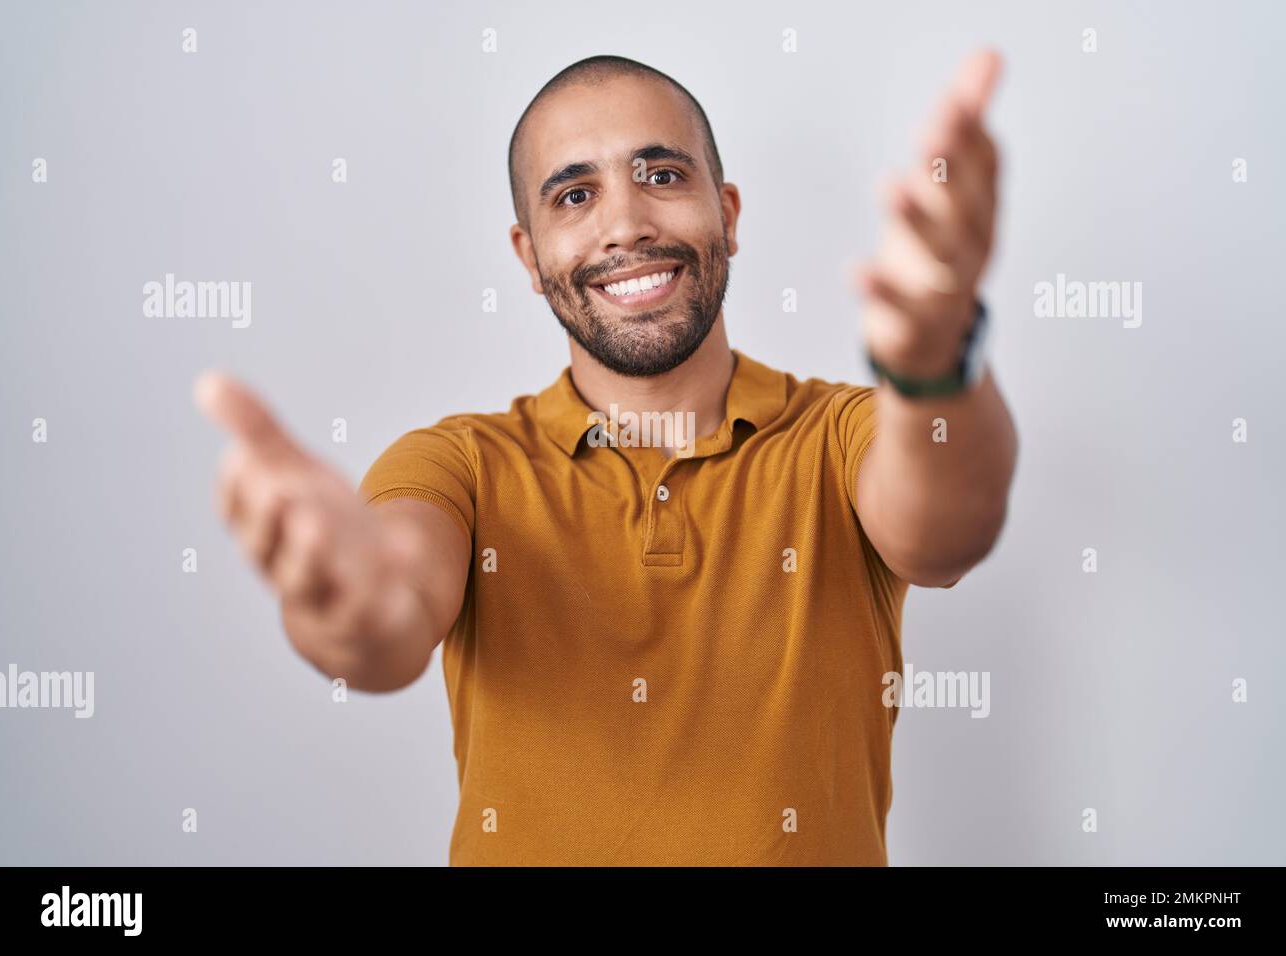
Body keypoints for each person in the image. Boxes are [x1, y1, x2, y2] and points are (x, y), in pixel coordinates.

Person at [195, 50, 1018, 865]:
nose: (626, 225)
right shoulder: (460, 466)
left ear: (727, 212)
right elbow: (387, 623)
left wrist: (932, 361)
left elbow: (946, 531)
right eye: (576, 195)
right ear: (528, 256)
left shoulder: (843, 435)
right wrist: (341, 597)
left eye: (662, 176)